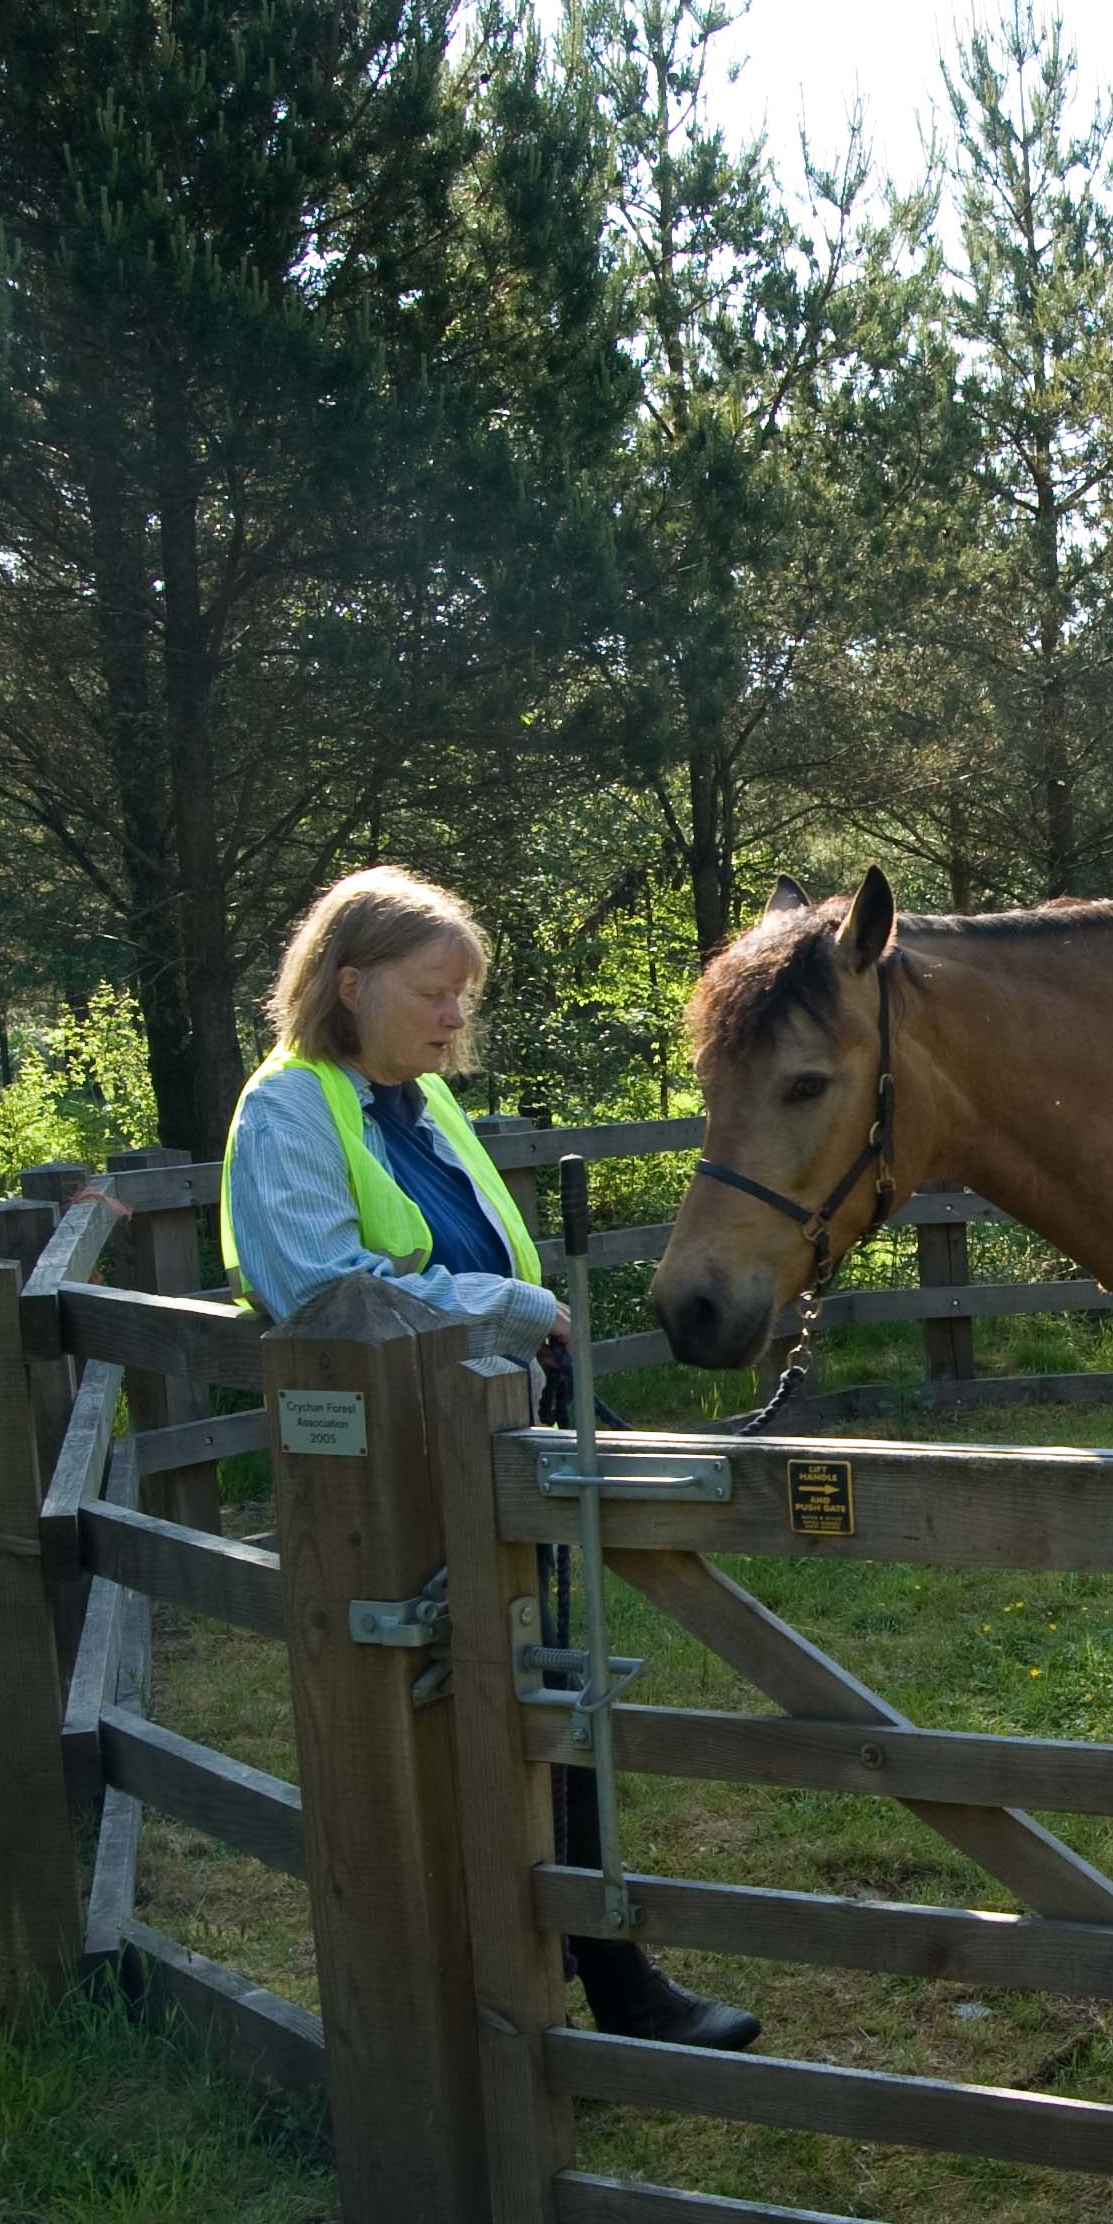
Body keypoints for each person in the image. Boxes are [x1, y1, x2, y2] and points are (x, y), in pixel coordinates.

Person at [225, 866, 760, 2053]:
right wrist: (511, 1307)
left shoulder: (416, 1108)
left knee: (541, 1702)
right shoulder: (290, 1111)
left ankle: (596, 1977)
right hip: (388, 1478)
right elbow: (318, 1288)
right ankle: (479, 2010)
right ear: (349, 983)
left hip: (486, 1446)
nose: (455, 1018)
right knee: (459, 1726)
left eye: (464, 995)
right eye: (434, 992)